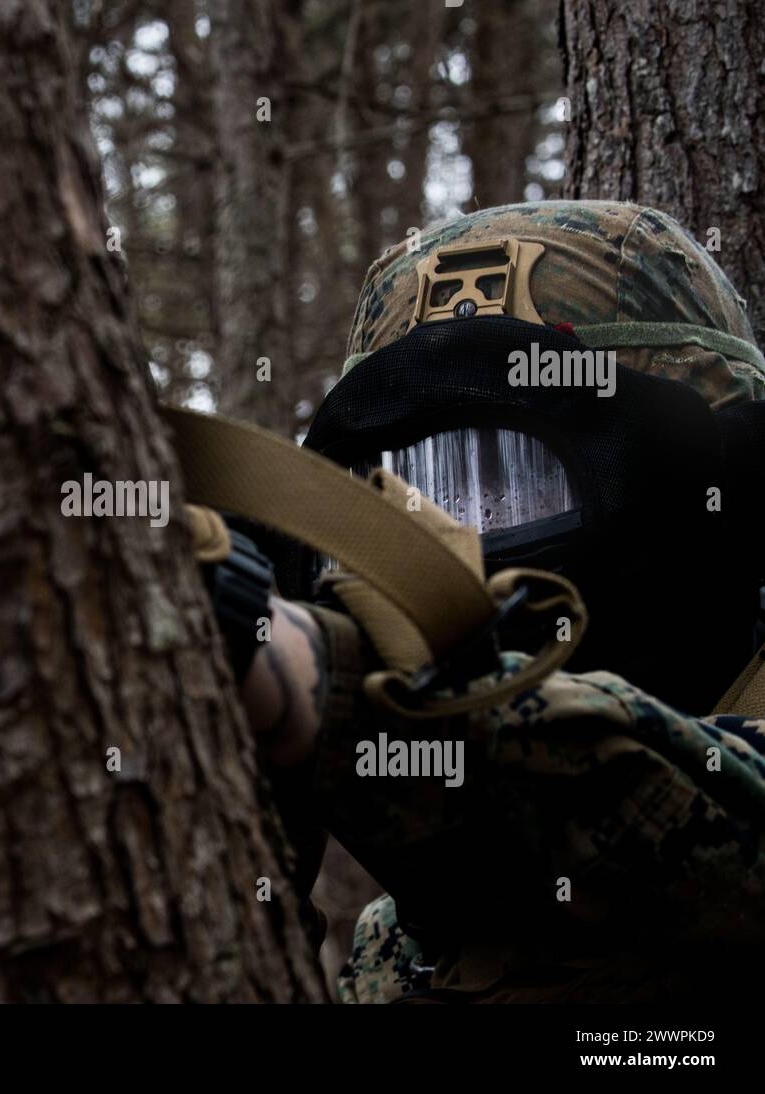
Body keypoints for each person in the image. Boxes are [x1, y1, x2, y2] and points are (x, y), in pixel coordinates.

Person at [199, 200, 765, 1002]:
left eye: (519, 481)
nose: (460, 542)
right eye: (400, 494)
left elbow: (700, 827)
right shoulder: (396, 951)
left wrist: (314, 679)